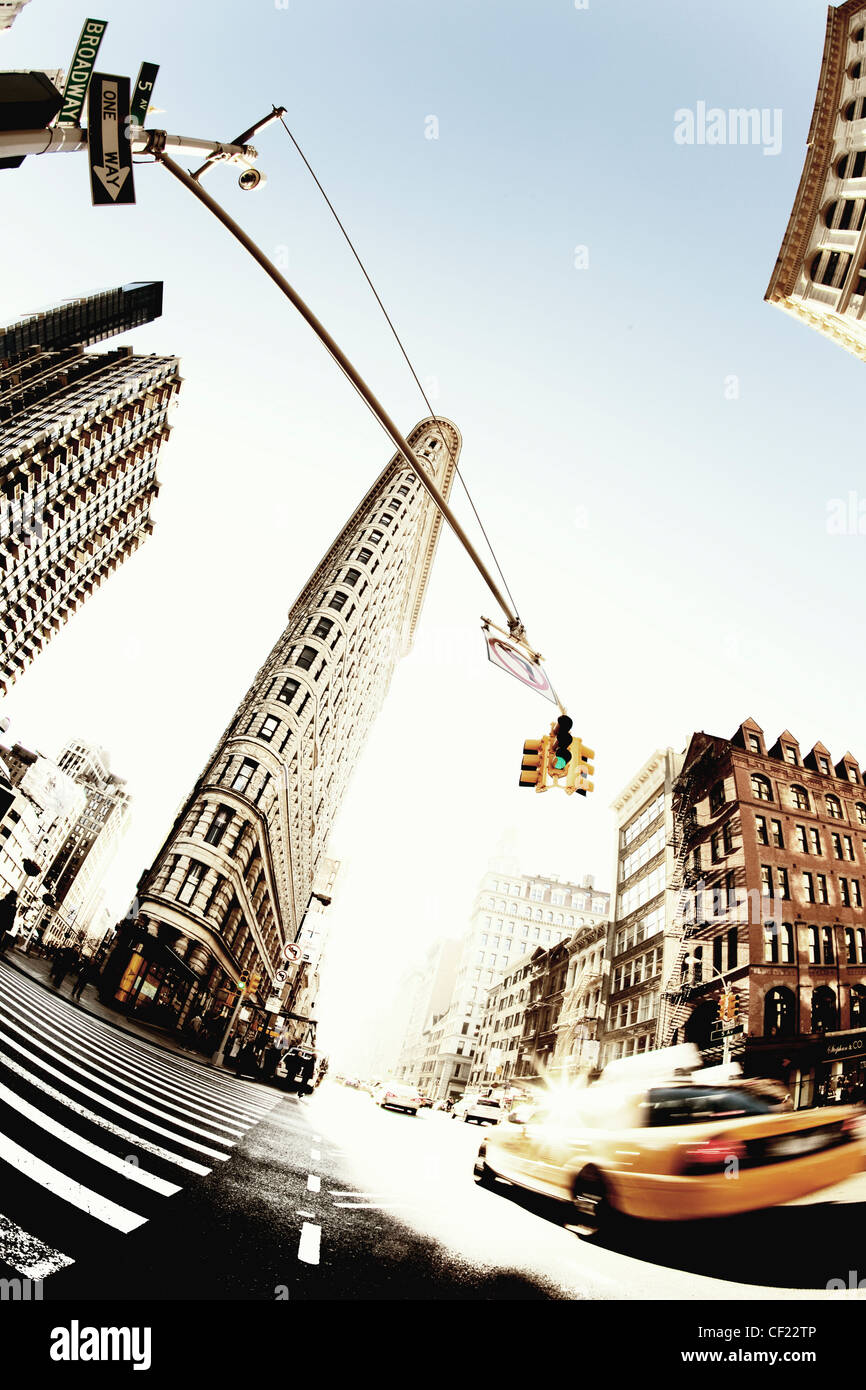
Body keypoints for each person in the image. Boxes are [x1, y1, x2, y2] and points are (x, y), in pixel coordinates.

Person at [0, 889, 18, 954]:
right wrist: (9, 926)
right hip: (3, 924)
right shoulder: (13, 907)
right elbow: (11, 918)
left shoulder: (3, 901)